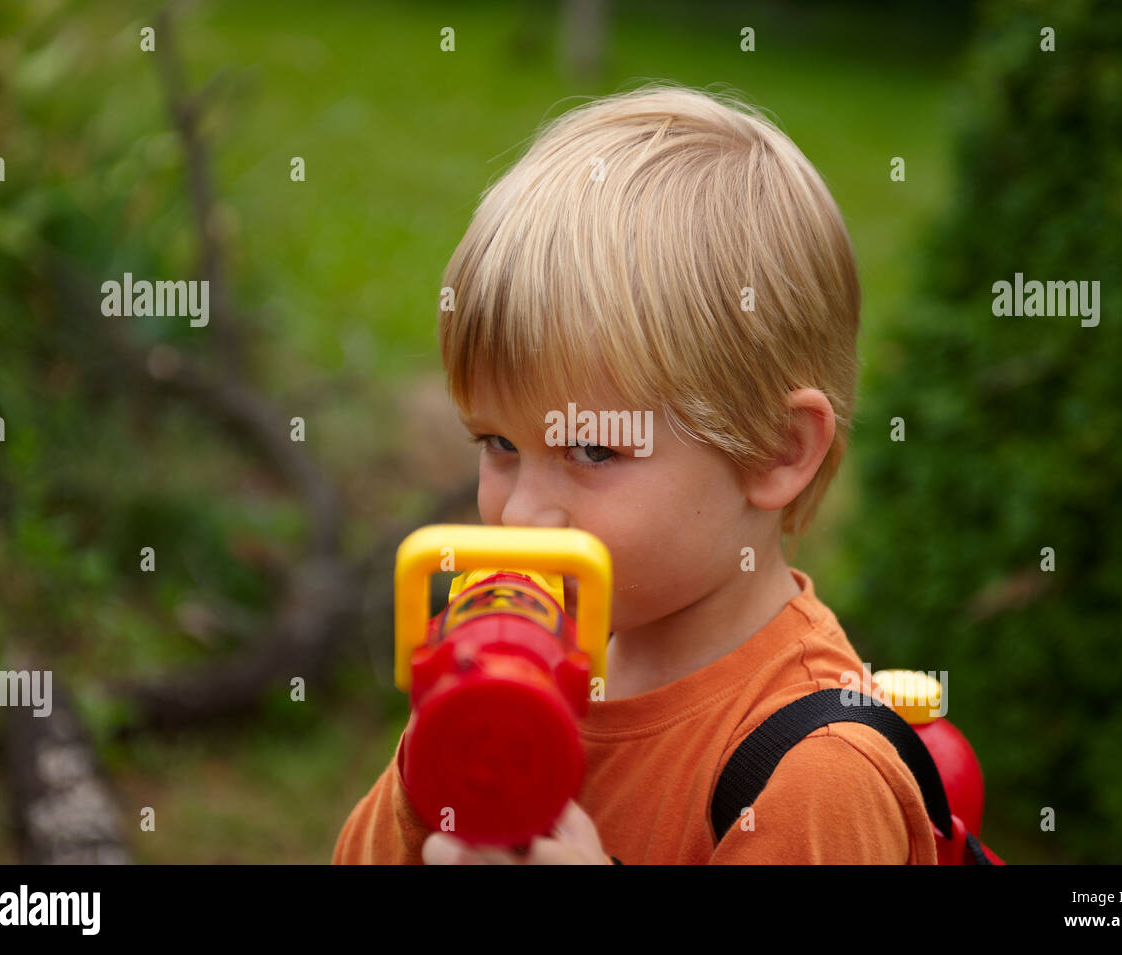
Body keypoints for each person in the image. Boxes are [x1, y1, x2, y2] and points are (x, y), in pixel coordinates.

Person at [333, 85, 937, 865]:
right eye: (496, 441)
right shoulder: (540, 665)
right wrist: (436, 763)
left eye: (591, 452)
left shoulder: (813, 771)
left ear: (775, 449)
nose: (520, 517)